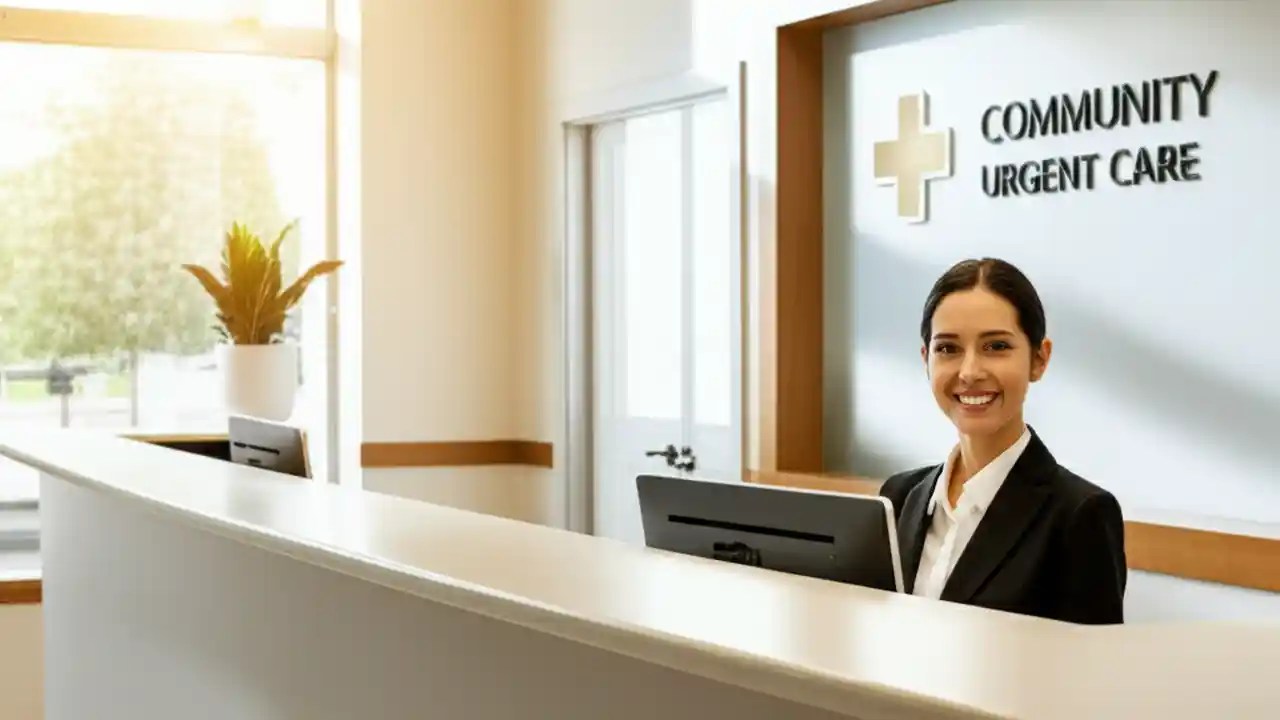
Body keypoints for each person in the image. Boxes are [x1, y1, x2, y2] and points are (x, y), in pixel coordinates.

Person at [879, 258, 1126, 624]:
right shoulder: (898, 497)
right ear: (925, 360)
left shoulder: (1080, 515)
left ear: (1039, 359)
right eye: (947, 349)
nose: (970, 372)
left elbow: (1091, 673)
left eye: (995, 346)